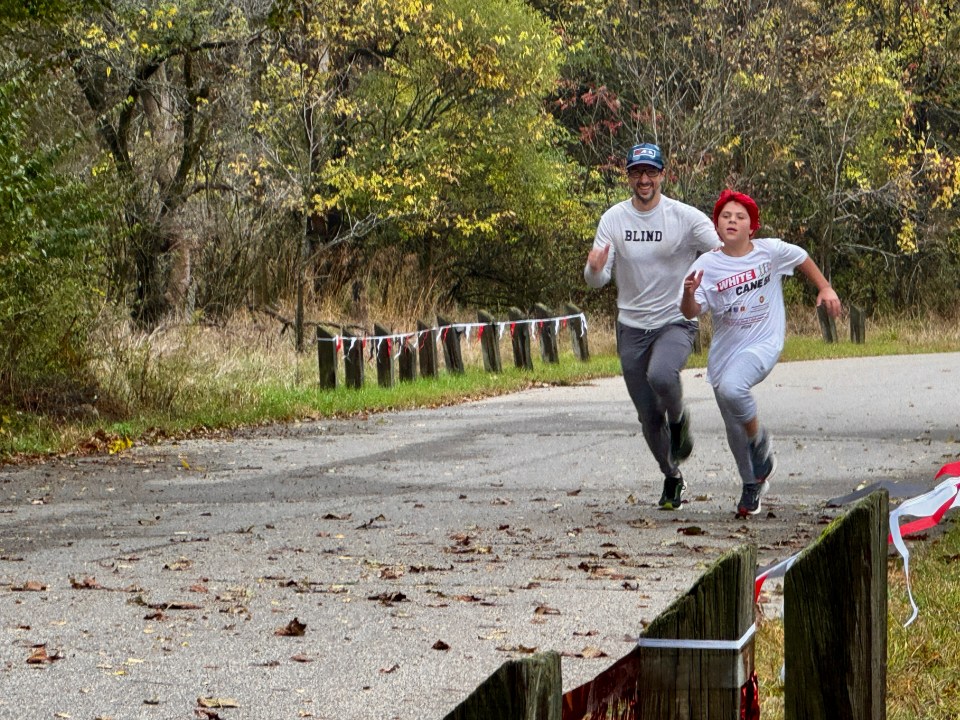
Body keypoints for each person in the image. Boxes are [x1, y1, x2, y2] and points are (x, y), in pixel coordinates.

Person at [679, 189, 842, 517]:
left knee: (733, 389)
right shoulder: (706, 265)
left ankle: (760, 444)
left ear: (752, 227)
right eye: (726, 216)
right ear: (717, 225)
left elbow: (802, 257)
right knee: (731, 422)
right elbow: (689, 312)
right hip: (725, 351)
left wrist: (824, 287)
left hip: (764, 343)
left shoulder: (770, 251)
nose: (732, 221)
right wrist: (689, 295)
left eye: (740, 217)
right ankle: (751, 482)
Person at [584, 143, 721, 510]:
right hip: (631, 325)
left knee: (662, 375)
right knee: (647, 415)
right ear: (628, 176)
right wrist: (595, 267)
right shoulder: (614, 219)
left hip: (675, 320)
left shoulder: (685, 217)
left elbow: (723, 253)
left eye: (650, 172)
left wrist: (721, 291)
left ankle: (679, 422)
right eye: (636, 173)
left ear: (662, 174)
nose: (643, 180)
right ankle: (672, 475)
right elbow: (596, 279)